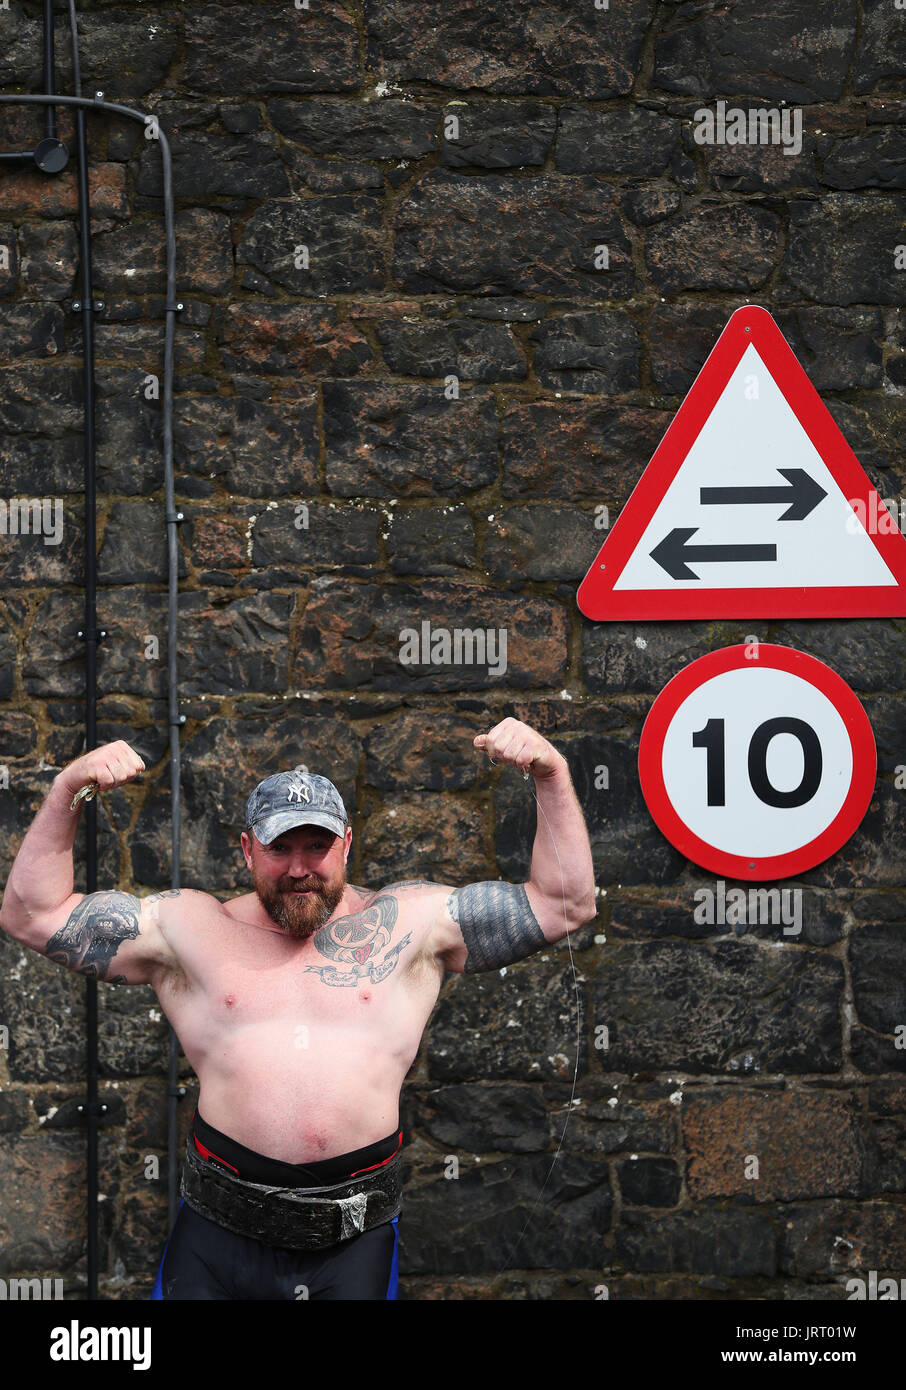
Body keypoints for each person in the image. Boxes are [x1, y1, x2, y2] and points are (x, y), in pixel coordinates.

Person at [0, 717, 596, 1300]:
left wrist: (552, 773)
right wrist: (66, 789)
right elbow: (31, 915)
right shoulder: (189, 928)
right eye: (279, 847)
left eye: (317, 845)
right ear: (246, 850)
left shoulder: (412, 925)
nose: (299, 868)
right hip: (216, 1234)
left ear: (346, 845)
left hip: (352, 1241)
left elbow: (565, 904)